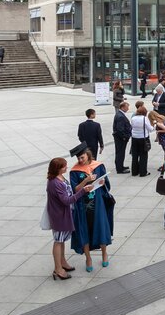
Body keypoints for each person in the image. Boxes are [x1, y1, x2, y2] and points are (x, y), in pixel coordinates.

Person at [45, 157, 94, 280]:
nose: (66, 167)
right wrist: (82, 191)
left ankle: (63, 263)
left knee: (61, 241)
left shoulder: (59, 178)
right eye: (64, 166)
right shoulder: (55, 183)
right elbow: (66, 200)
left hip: (62, 214)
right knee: (58, 241)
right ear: (58, 169)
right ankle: (58, 269)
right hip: (59, 216)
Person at [69, 143, 114, 272]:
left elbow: (107, 185)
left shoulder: (98, 166)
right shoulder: (75, 171)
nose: (80, 160)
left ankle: (104, 254)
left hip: (98, 203)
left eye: (82, 157)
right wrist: (85, 180)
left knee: (100, 228)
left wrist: (102, 182)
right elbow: (75, 190)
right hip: (82, 206)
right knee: (84, 231)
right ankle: (88, 258)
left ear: (88, 155)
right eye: (78, 158)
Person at [130, 104, 154, 177]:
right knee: (143, 155)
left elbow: (131, 126)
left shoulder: (133, 118)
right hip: (143, 138)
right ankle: (143, 172)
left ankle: (134, 171)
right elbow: (150, 129)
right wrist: (154, 126)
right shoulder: (144, 118)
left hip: (134, 138)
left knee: (135, 155)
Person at [112, 101, 132, 173]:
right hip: (120, 139)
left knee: (120, 153)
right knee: (120, 153)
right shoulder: (120, 116)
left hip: (120, 138)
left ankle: (120, 166)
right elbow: (120, 129)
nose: (128, 109)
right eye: (127, 107)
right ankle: (120, 169)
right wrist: (125, 137)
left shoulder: (120, 114)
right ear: (123, 107)